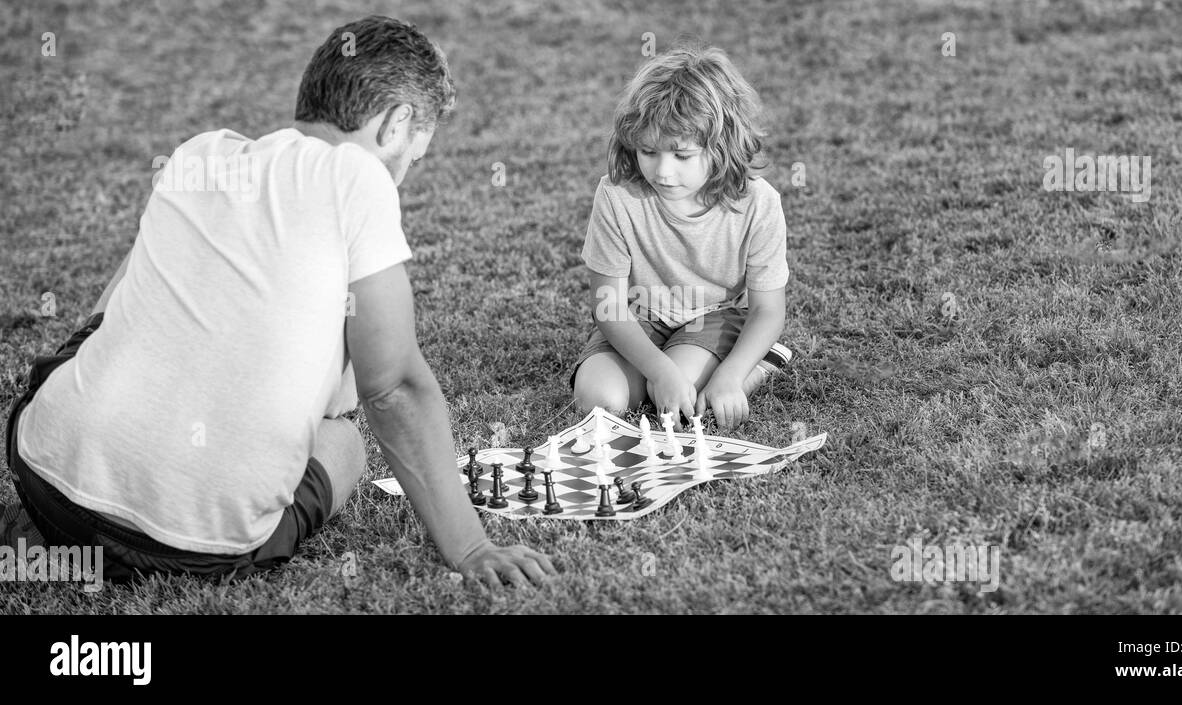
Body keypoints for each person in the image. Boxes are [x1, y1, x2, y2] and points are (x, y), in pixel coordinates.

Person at [1, 16, 555, 589]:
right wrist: (472, 548)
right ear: (396, 124)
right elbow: (390, 389)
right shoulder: (360, 179)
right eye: (414, 157)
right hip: (191, 550)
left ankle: (71, 499)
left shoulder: (200, 153)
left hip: (44, 478)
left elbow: (109, 313)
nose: (406, 176)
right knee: (343, 444)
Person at [572, 44, 792, 430]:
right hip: (639, 316)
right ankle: (680, 369)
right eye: (648, 151)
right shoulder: (617, 195)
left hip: (714, 317)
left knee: (680, 402)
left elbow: (767, 310)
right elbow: (608, 307)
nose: (663, 172)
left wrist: (729, 377)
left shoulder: (759, 203)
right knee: (600, 401)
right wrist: (659, 370)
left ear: (721, 146)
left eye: (682, 155)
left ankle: (757, 363)